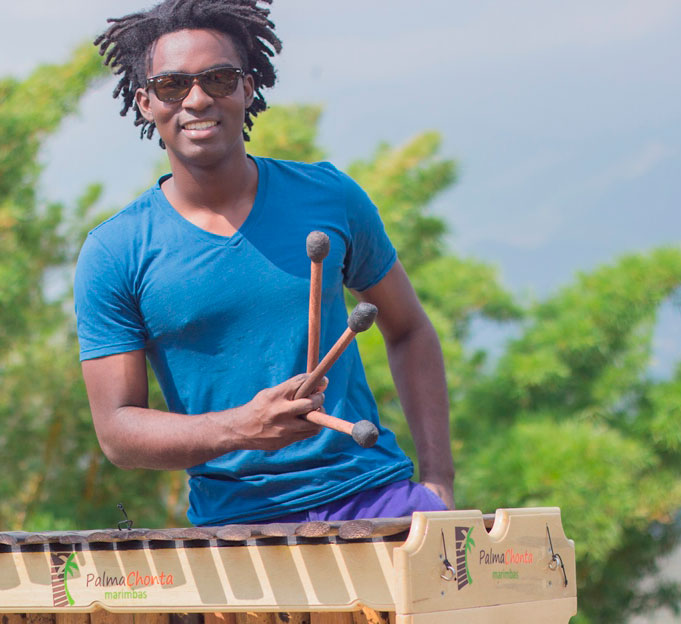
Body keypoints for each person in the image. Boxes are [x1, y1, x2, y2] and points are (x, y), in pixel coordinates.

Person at [75, 0, 454, 526]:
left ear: (248, 88)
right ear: (145, 102)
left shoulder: (329, 197)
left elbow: (409, 328)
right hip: (238, 532)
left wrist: (439, 482)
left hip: (378, 502)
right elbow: (118, 433)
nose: (198, 99)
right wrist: (241, 427)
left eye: (219, 79)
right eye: (172, 86)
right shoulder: (115, 251)